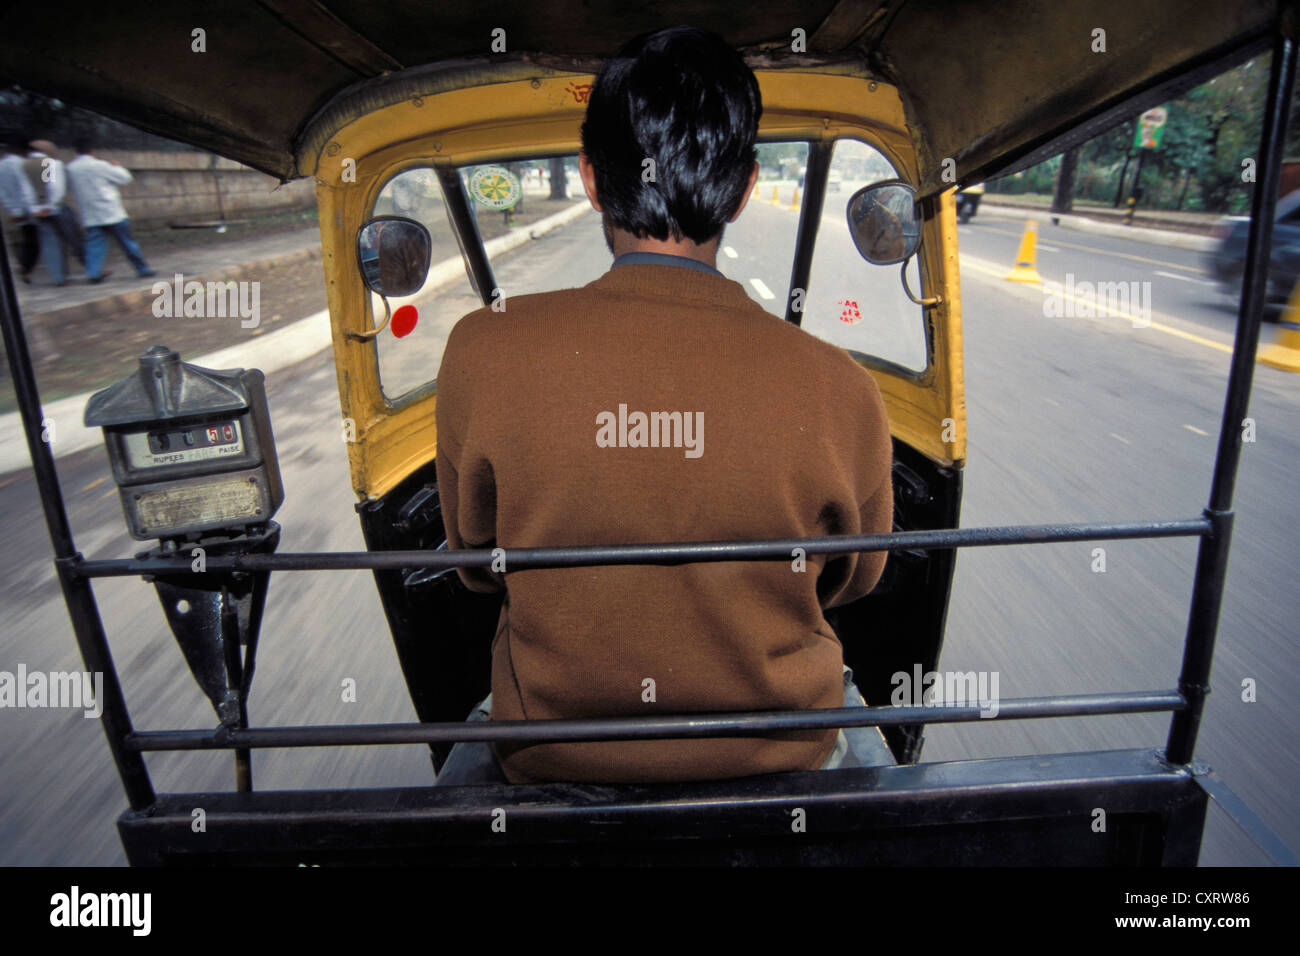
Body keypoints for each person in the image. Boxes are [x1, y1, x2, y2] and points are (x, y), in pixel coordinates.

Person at [433, 26, 894, 786]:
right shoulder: (839, 384)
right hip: (783, 752)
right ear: (744, 189)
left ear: (589, 178)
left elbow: (479, 565)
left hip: (550, 752)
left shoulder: (484, 348)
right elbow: (851, 581)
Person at [65, 136, 155, 281]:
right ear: (92, 150)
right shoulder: (101, 165)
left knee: (94, 246)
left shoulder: (70, 169)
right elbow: (125, 178)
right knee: (127, 243)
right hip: (111, 211)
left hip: (90, 213)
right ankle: (142, 269)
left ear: (76, 151)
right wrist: (117, 166)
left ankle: (93, 273)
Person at [21, 140, 84, 285]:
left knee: (50, 244)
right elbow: (55, 187)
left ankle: (58, 277)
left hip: (38, 211)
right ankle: (92, 269)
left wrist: (35, 209)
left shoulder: (24, 166)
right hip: (57, 209)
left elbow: (26, 191)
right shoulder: (51, 163)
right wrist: (50, 205)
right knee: (74, 239)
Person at [0, 136, 39, 283]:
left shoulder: (1, 165)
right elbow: (26, 188)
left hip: (16, 209)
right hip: (30, 208)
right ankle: (24, 267)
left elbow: (2, 193)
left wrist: (14, 211)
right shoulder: (23, 164)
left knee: (28, 239)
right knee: (36, 241)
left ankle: (24, 267)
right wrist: (25, 209)